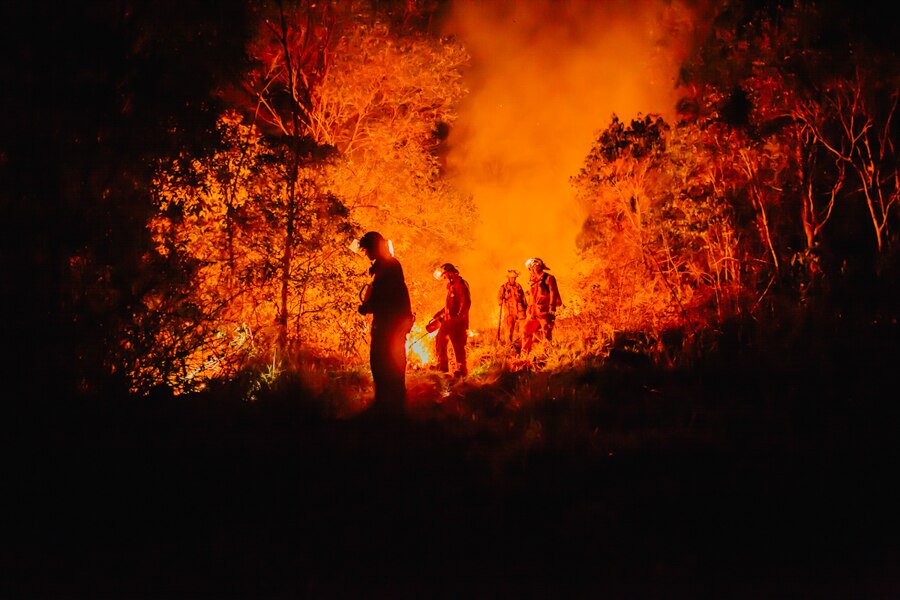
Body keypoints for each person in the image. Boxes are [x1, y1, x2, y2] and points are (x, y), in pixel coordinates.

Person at [357, 231, 414, 417]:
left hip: (390, 326)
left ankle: (391, 409)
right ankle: (388, 405)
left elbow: (387, 298)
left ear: (375, 247)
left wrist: (369, 307)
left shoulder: (389, 267)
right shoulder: (386, 266)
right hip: (389, 324)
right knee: (382, 363)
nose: (366, 254)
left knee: (387, 364)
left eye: (367, 250)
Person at [433, 263, 471, 377]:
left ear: (450, 273)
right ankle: (442, 366)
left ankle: (461, 370)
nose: (444, 277)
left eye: (445, 275)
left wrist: (458, 318)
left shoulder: (461, 285)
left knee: (458, 345)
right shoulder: (451, 286)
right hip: (448, 321)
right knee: (440, 339)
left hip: (457, 322)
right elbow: (450, 305)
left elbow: (466, 303)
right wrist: (440, 313)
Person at [521, 257, 562, 354]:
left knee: (546, 334)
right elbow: (534, 295)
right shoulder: (533, 280)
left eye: (532, 267)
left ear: (538, 266)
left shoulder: (549, 278)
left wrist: (552, 307)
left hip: (544, 311)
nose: (530, 270)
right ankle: (524, 356)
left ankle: (548, 356)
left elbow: (553, 292)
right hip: (532, 313)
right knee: (525, 332)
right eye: (529, 268)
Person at [497, 269, 527, 345]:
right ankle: (509, 344)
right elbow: (499, 297)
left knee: (524, 326)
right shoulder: (503, 287)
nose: (514, 279)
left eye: (515, 278)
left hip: (520, 308)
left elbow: (523, 297)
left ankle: (523, 342)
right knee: (509, 327)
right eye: (512, 278)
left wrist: (526, 306)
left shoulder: (518, 286)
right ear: (509, 278)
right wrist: (500, 301)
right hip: (509, 309)